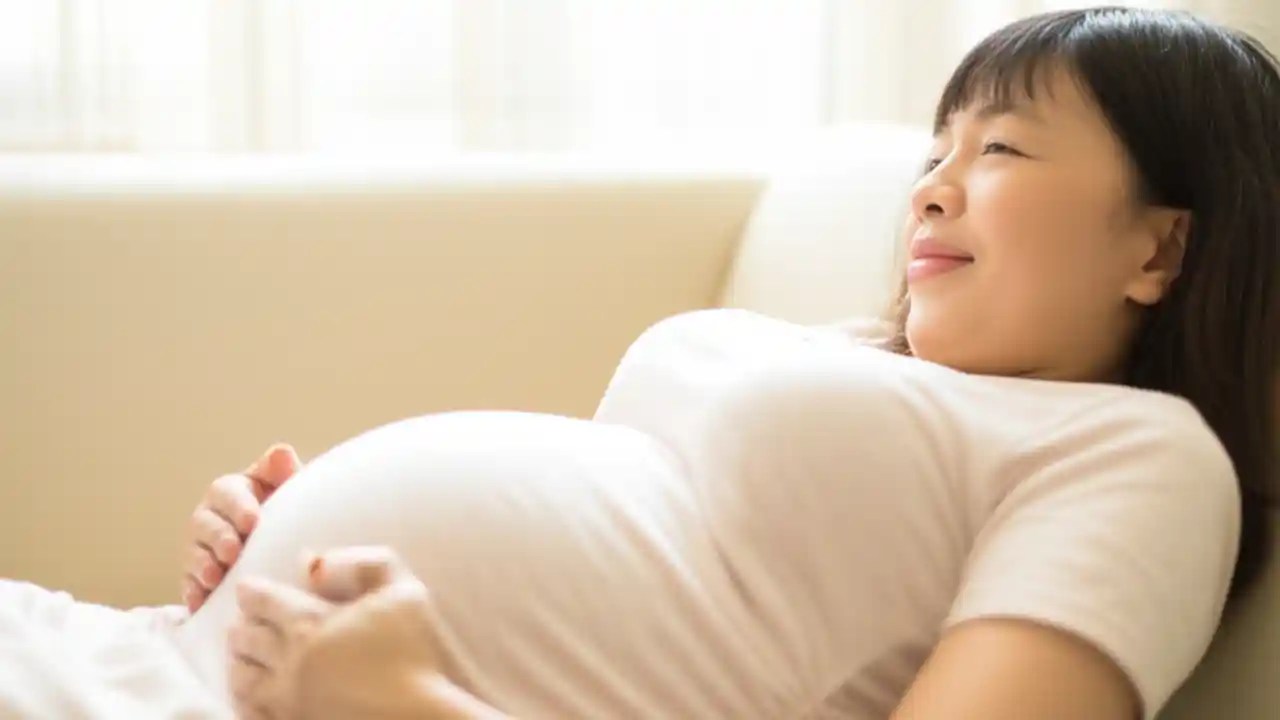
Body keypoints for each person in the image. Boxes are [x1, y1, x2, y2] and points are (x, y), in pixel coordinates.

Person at [180, 7, 1279, 720]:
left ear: (1157, 245)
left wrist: (406, 702)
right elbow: (634, 566)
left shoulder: (1139, 457)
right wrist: (277, 540)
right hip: (169, 665)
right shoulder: (859, 358)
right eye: (933, 150)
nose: (931, 187)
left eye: (998, 148)